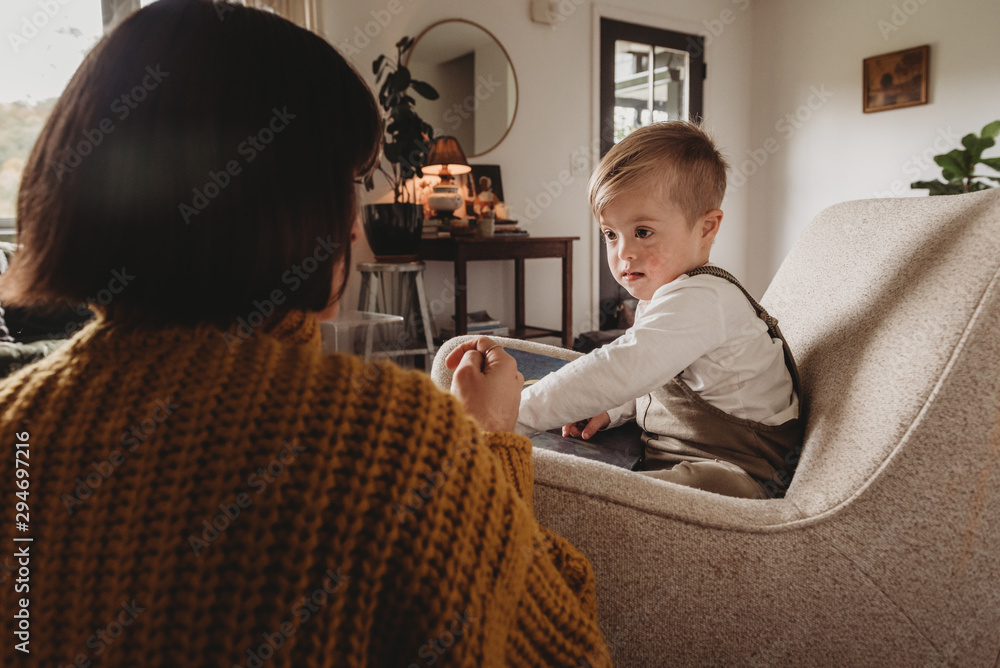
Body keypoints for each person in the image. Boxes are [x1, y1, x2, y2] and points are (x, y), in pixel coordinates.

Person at [0, 1, 610, 665]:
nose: (354, 226)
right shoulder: (391, 439)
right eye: (347, 183)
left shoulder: (15, 427)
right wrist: (488, 442)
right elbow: (564, 652)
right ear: (278, 202)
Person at [518, 122, 803, 499]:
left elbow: (622, 368)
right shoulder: (665, 296)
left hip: (741, 470)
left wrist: (514, 413)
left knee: (595, 495)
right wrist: (612, 409)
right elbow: (650, 379)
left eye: (643, 232)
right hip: (673, 453)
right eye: (611, 234)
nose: (623, 252)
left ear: (706, 228)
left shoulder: (704, 299)